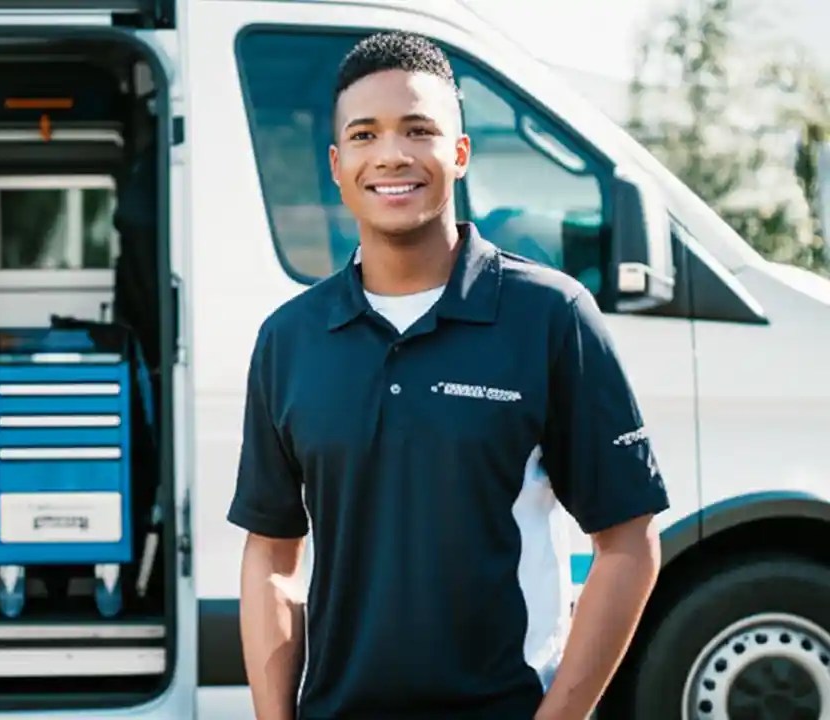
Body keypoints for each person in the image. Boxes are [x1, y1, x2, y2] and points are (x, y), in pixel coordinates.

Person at [227, 31, 670, 720]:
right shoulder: (289, 340)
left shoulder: (551, 318)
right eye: (366, 135)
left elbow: (628, 542)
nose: (392, 155)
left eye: (418, 130)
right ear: (338, 165)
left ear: (458, 154)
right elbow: (272, 557)